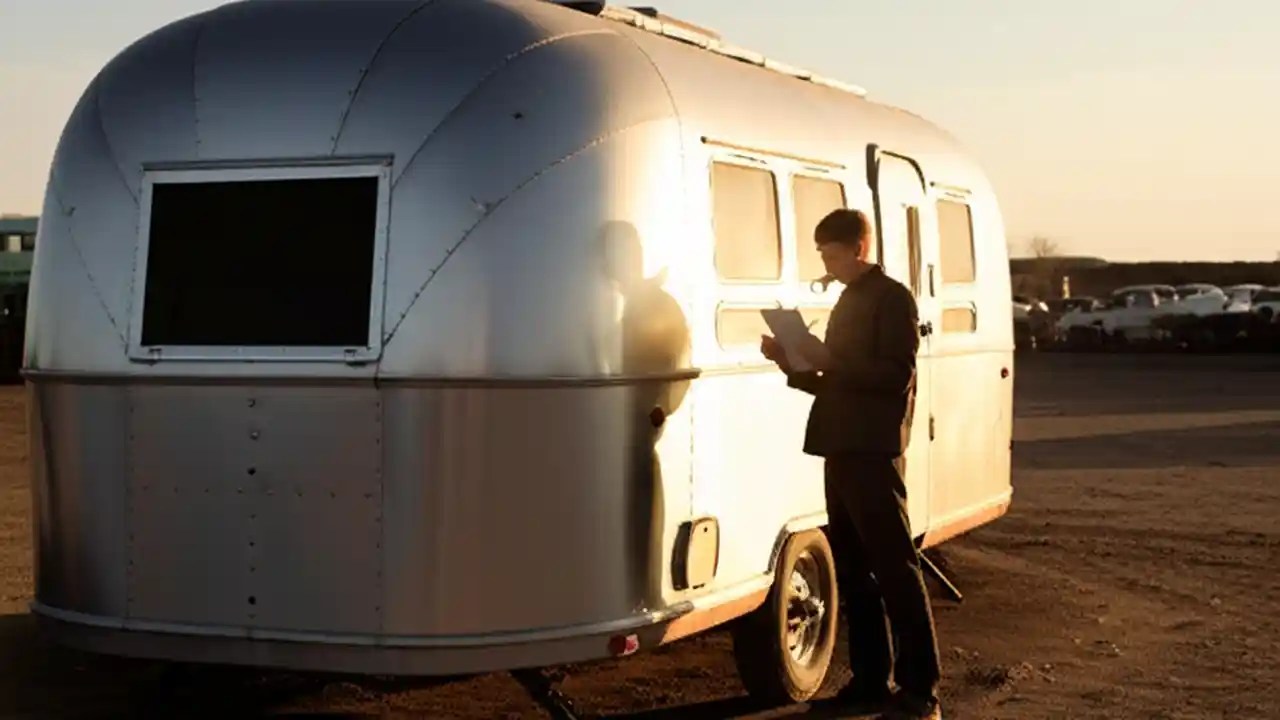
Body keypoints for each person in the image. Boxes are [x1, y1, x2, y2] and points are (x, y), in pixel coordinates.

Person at [760, 209, 942, 720]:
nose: (827, 264)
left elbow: (894, 375)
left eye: (833, 254)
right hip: (841, 446)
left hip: (871, 449)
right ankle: (869, 681)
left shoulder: (892, 299)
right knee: (854, 571)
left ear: (859, 248)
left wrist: (829, 360)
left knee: (895, 568)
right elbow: (838, 378)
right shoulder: (851, 299)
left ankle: (920, 689)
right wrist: (793, 363)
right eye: (822, 255)